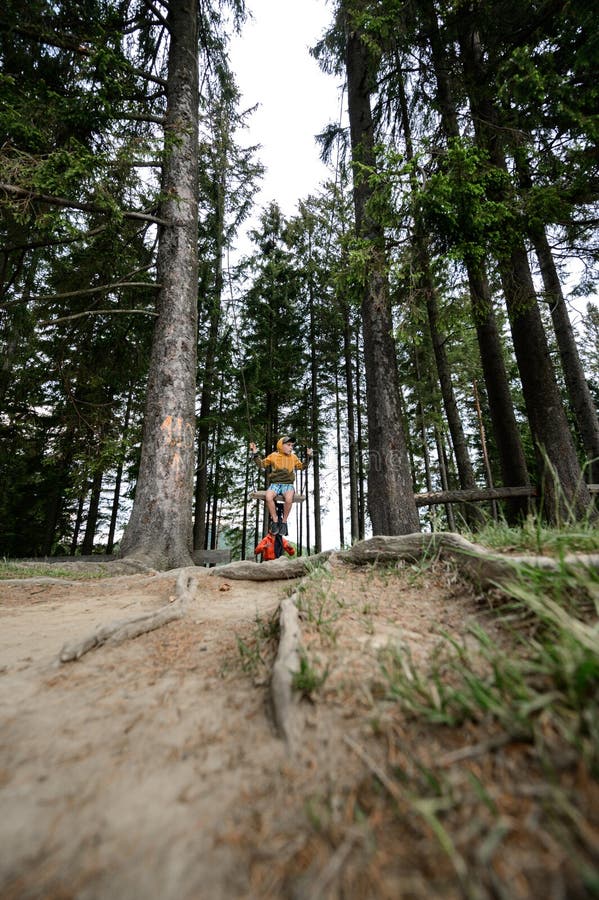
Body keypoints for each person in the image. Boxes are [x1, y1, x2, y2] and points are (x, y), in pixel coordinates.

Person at [249, 435, 313, 535]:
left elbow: (302, 467)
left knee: (288, 498)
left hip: (288, 484)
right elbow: (262, 464)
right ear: (281, 445)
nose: (291, 447)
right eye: (288, 445)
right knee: (268, 496)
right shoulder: (273, 456)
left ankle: (284, 522)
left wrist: (309, 456)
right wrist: (255, 453)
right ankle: (275, 521)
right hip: (275, 483)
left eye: (292, 445)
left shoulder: (293, 457)